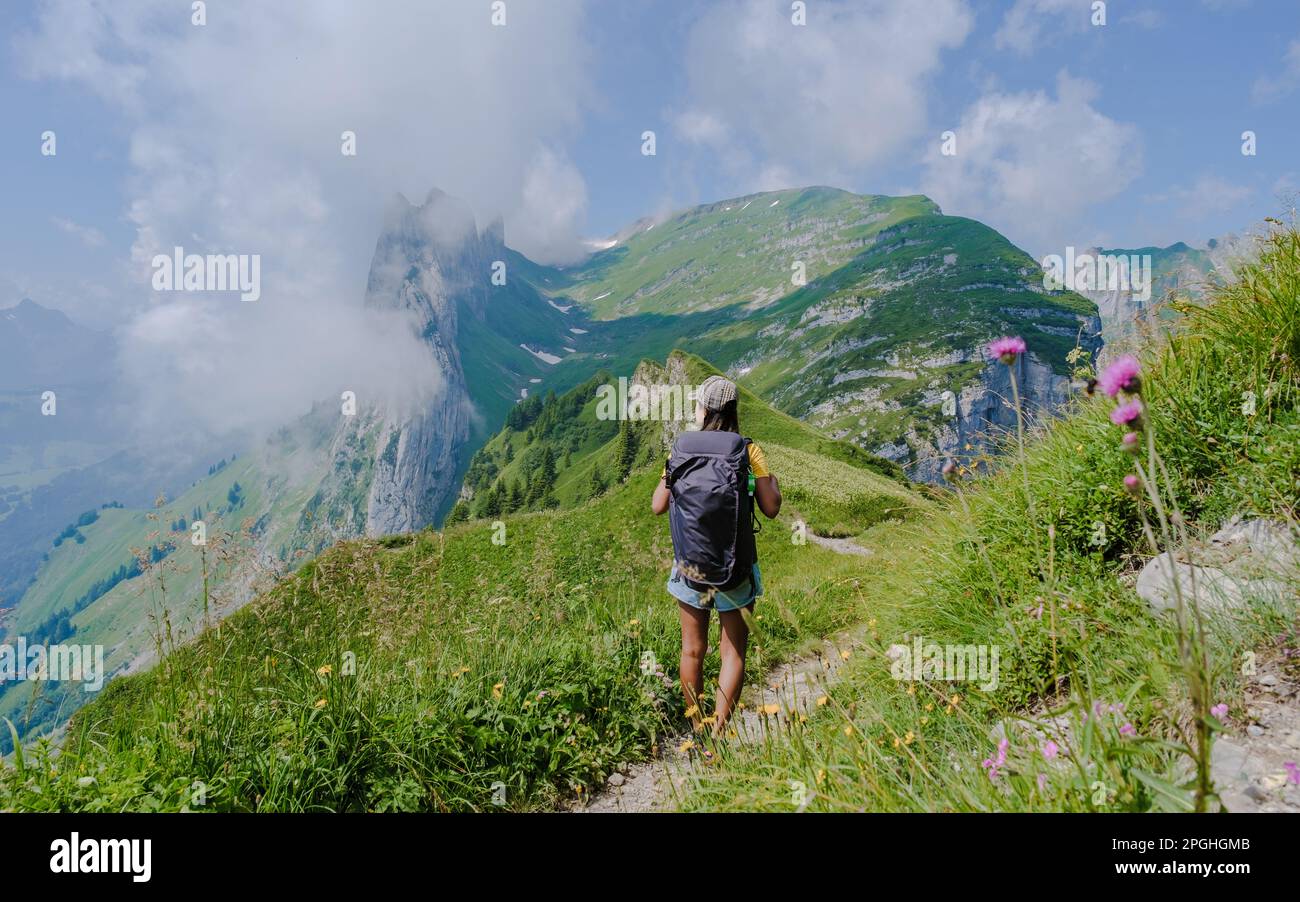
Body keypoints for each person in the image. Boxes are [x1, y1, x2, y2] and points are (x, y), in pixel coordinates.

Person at [650, 375, 781, 739]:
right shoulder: (747, 450)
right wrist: (771, 483)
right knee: (732, 652)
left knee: (692, 650)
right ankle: (719, 736)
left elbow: (658, 505)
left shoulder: (680, 448)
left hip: (690, 568)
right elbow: (770, 508)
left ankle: (697, 728)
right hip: (735, 567)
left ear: (705, 408)